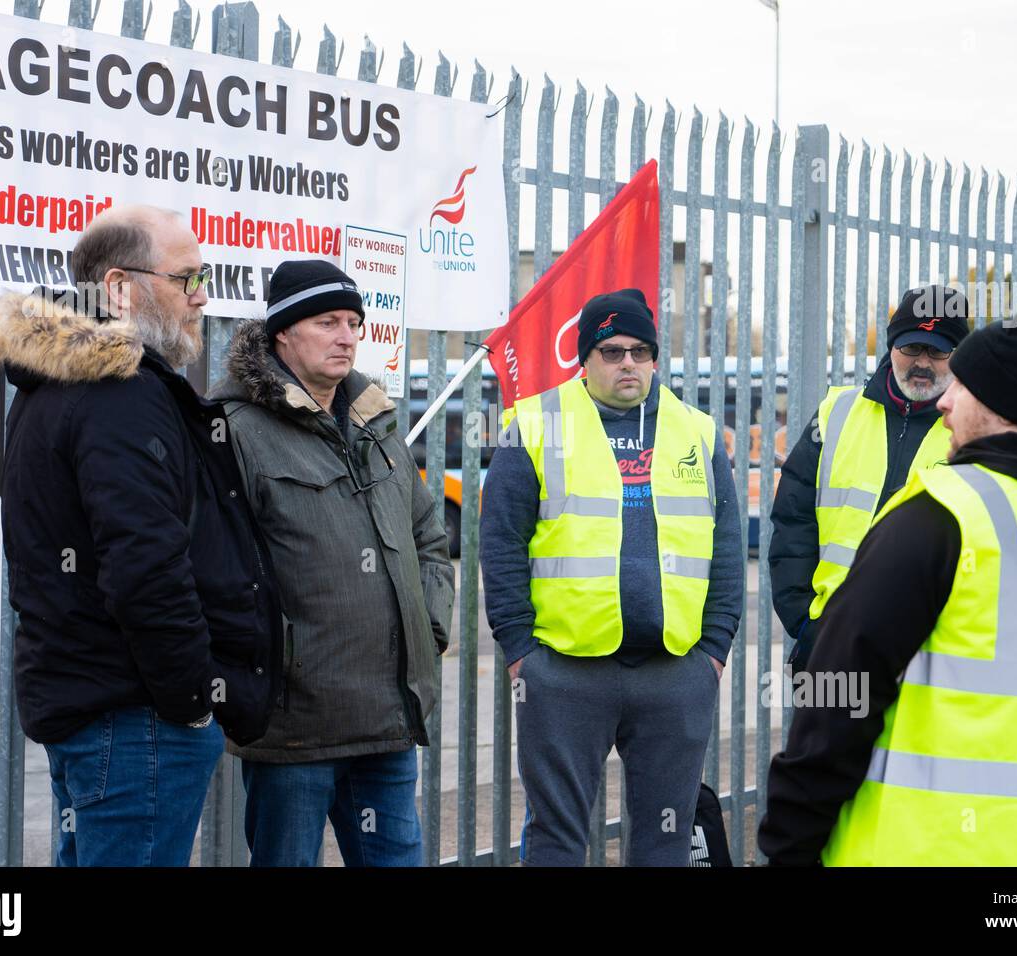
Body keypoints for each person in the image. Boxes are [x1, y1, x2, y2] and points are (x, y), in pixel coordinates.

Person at [758, 308, 1017, 866]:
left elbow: (837, 701)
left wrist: (786, 845)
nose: (945, 402)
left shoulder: (942, 518)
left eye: (965, 386)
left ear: (1006, 403)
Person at [0, 205, 282, 866]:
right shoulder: (118, 390)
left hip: (105, 711)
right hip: (138, 716)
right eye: (185, 278)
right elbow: (144, 565)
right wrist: (190, 702)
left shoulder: (55, 385)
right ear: (119, 287)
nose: (202, 294)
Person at [481, 288, 744, 866]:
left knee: (665, 839)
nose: (629, 363)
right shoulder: (532, 424)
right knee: (557, 837)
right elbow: (500, 546)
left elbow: (727, 548)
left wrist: (714, 651)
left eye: (641, 351)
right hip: (565, 673)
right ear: (585, 358)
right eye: (612, 351)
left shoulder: (697, 432)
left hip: (675, 670)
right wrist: (522, 650)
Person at [208, 260, 454, 867]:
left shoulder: (376, 421)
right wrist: (269, 665)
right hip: (295, 727)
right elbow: (218, 569)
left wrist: (429, 625)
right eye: (327, 322)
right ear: (282, 334)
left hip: (389, 716)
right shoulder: (233, 429)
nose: (347, 336)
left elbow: (428, 534)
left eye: (353, 322)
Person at [770, 284, 969, 673]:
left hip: (932, 654)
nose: (922, 362)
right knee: (824, 736)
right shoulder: (837, 412)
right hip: (832, 643)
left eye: (938, 351)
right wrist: (805, 623)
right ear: (891, 347)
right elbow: (793, 521)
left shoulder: (974, 429)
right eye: (911, 348)